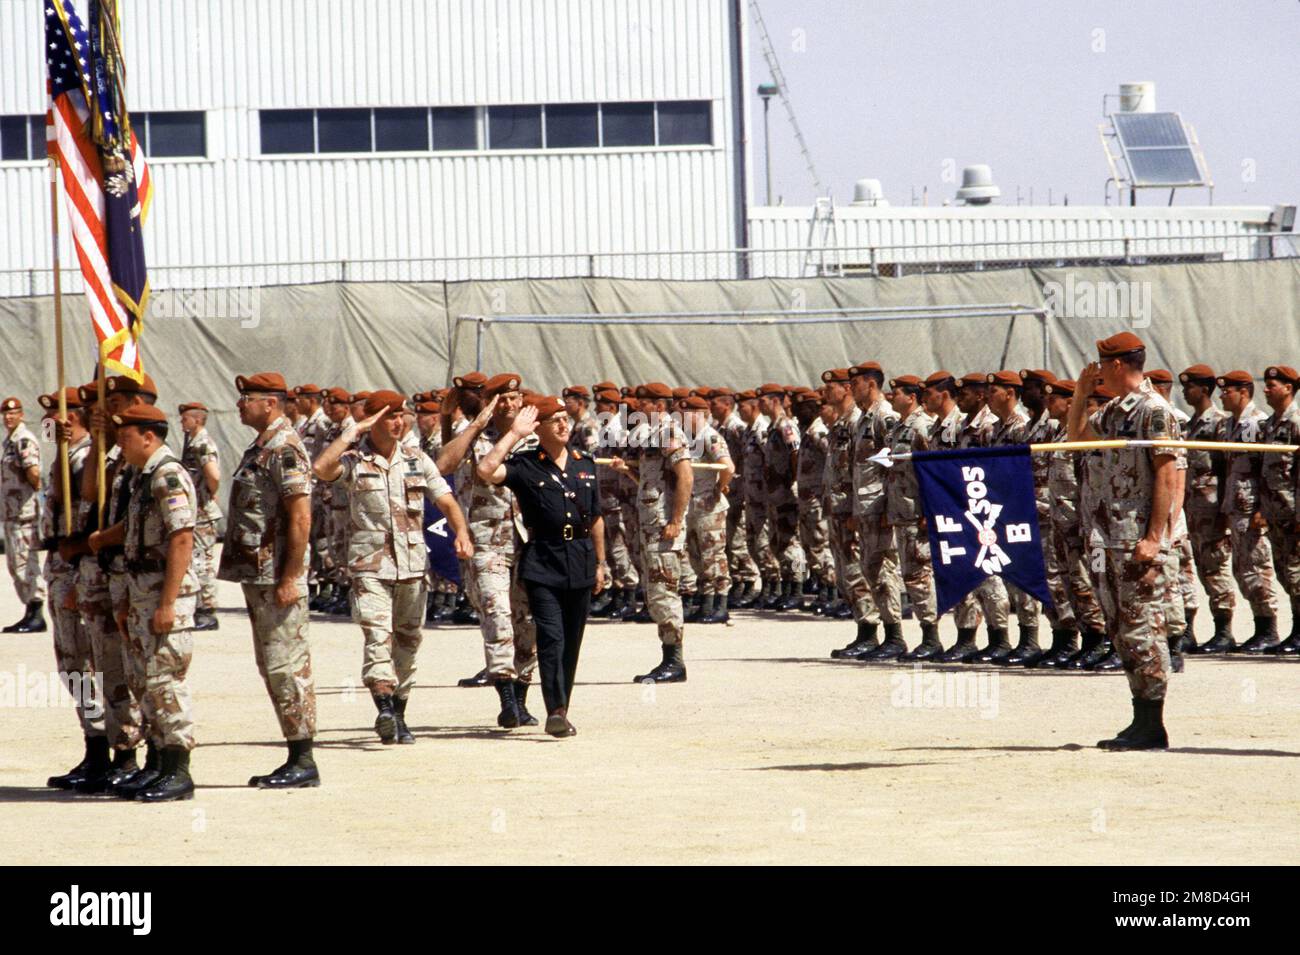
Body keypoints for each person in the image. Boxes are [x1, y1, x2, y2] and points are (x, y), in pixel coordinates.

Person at [316, 389, 471, 743]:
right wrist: (351, 432)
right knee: (377, 636)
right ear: (373, 422)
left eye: (402, 416)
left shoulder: (418, 459)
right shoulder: (355, 461)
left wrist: (461, 532)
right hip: (370, 567)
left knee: (408, 642)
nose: (398, 422)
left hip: (413, 566)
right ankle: (384, 707)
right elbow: (322, 468)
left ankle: (398, 714)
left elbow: (445, 499)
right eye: (389, 416)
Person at [1068, 332, 1178, 750]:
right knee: (1120, 628)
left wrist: (1154, 537)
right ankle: (1140, 717)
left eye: (1099, 366)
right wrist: (1080, 393)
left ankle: (1153, 724)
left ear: (1116, 365)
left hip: (1134, 539)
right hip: (1106, 536)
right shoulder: (1115, 412)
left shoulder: (1154, 411)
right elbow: (1078, 439)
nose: (1095, 373)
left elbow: (1168, 473)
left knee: (1143, 628)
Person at [477, 395, 606, 736]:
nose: (565, 425)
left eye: (566, 419)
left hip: (579, 558)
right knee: (550, 636)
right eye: (556, 421)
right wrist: (514, 434)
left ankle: (562, 703)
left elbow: (595, 518)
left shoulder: (585, 463)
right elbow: (486, 469)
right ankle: (556, 711)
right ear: (540, 428)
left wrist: (601, 563)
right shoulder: (525, 464)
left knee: (572, 640)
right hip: (543, 560)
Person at [217, 372, 321, 788]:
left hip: (276, 574)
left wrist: (291, 576)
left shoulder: (285, 448)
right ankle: (296, 753)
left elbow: (300, 516)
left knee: (287, 664)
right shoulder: (260, 447)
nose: (241, 404)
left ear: (271, 404)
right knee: (272, 665)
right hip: (258, 574)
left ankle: (303, 759)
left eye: (248, 398)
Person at [91, 404, 199, 801]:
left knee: (166, 681)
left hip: (162, 592)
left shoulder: (168, 475)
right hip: (141, 592)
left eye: (126, 436)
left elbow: (181, 537)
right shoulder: (144, 476)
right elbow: (136, 529)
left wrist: (168, 602)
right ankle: (157, 765)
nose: (121, 442)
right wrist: (104, 539)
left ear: (149, 437)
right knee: (145, 681)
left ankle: (178, 770)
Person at [437, 372, 540, 724]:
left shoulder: (534, 436)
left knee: (528, 621)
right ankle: (506, 697)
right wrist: (475, 422)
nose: (510, 405)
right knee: (498, 617)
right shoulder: (475, 436)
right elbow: (443, 466)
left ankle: (523, 697)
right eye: (502, 399)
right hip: (487, 543)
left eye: (515, 398)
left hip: (529, 541)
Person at [37, 388, 107, 789]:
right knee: (72, 664)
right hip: (60, 565)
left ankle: (106, 751)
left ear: (75, 418)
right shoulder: (65, 458)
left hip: (79, 567)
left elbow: (87, 517)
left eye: (55, 417)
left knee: (86, 663)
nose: (48, 424)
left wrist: (79, 576)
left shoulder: (87, 460)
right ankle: (94, 748)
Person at [612, 382, 693, 683]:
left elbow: (685, 476)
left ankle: (675, 661)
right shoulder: (653, 435)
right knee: (656, 592)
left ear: (658, 406)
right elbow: (652, 484)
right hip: (652, 525)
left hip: (663, 528)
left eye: (643, 404)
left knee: (665, 591)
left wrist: (676, 519)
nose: (637, 408)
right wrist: (628, 472)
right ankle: (669, 657)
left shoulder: (670, 432)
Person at [1217, 369, 1280, 651]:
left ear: (1243, 392)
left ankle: (1269, 629)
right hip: (1236, 506)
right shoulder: (1231, 425)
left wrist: (1262, 508)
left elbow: (1266, 469)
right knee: (1242, 569)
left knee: (1257, 568)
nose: (1222, 396)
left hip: (1251, 507)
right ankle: (1260, 627)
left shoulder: (1257, 424)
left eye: (1227, 391)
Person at [848, 362, 905, 660]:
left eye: (855, 383)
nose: (851, 388)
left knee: (884, 571)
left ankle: (895, 636)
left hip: (880, 506)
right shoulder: (863, 419)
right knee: (870, 570)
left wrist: (888, 506)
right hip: (865, 506)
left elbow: (896, 464)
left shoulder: (886, 416)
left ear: (871, 384)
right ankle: (878, 634)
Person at [822, 368, 880, 658]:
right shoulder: (840, 423)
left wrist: (856, 508)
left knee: (857, 571)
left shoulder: (859, 420)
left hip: (851, 509)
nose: (825, 392)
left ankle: (870, 629)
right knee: (845, 572)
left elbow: (864, 469)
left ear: (846, 388)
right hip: (837, 507)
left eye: (831, 387)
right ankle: (862, 628)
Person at [1178, 365, 1236, 653]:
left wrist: (1226, 508)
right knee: (1200, 570)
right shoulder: (1190, 425)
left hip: (1212, 509)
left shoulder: (1218, 424)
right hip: (1193, 511)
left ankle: (1224, 631)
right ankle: (1194, 631)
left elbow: (1228, 468)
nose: (1185, 392)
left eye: (1190, 387)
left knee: (1216, 569)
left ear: (1204, 389)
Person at [1258, 365, 1300, 655]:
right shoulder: (1271, 424)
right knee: (1286, 574)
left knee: (1297, 574)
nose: (1266, 389)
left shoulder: (1296, 422)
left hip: (1293, 514)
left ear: (1289, 388)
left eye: (1272, 384)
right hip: (1276, 513)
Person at [1, 396, 46, 632]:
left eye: (13, 413)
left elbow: (34, 473)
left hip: (23, 513)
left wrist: (31, 489)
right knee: (14, 564)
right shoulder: (10, 441)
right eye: (5, 414)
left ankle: (36, 613)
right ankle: (29, 610)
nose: (8, 417)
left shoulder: (24, 440)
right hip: (11, 513)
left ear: (21, 414)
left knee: (25, 563)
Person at [178, 401, 222, 631]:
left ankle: (208, 611)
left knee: (201, 562)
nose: (181, 422)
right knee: (194, 561)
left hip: (203, 513)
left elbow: (213, 475)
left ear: (197, 420)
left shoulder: (202, 443)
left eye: (185, 418)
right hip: (196, 511)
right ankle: (200, 608)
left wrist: (209, 494)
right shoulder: (192, 442)